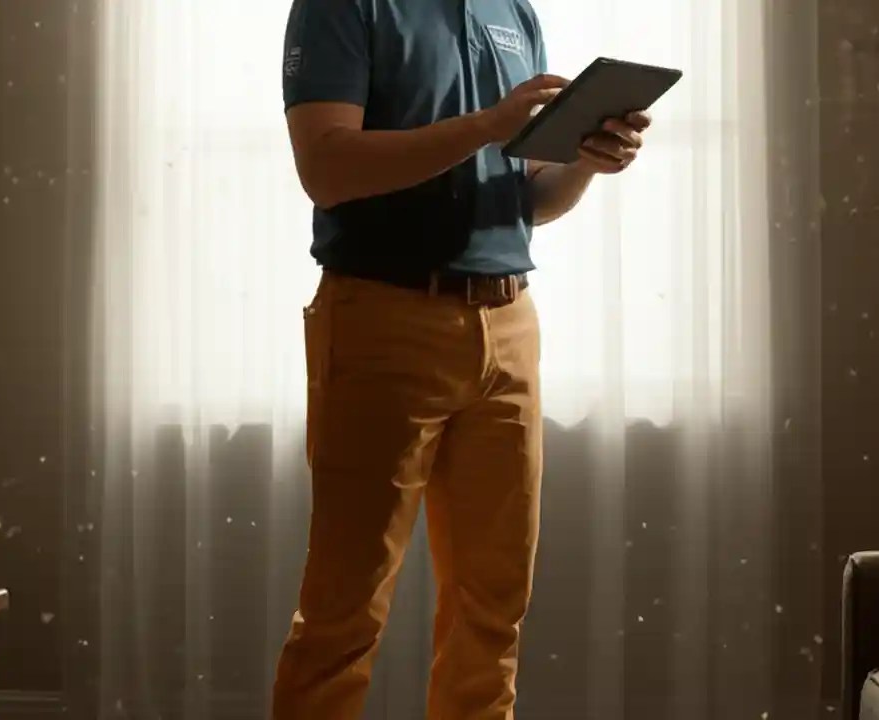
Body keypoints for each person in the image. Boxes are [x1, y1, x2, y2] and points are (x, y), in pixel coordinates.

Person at [271, 0, 652, 718]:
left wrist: (588, 161)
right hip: (382, 317)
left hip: (510, 323)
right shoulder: (343, 5)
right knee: (344, 612)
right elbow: (325, 167)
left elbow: (530, 198)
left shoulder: (514, 11)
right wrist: (489, 126)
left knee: (493, 607)